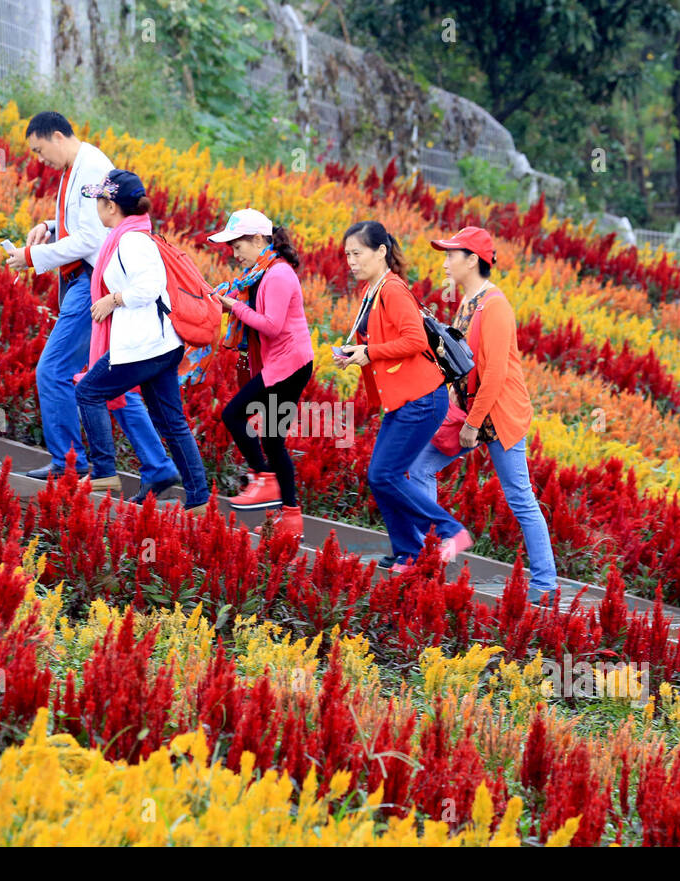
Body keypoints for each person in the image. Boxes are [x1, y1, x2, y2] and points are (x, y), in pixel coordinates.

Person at [10, 111, 180, 500]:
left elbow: (91, 240)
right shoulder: (76, 166)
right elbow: (82, 222)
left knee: (53, 370)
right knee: (109, 379)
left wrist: (33, 255)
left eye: (39, 150)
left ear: (56, 136)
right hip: (85, 282)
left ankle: (69, 463)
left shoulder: (92, 168)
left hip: (91, 284)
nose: (40, 160)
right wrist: (50, 227)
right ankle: (157, 466)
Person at [406, 226, 558, 606]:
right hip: (469, 411)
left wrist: (473, 424)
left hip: (498, 416)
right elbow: (460, 363)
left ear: (472, 260)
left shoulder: (495, 306)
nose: (444, 263)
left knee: (520, 498)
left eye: (451, 255)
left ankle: (547, 585)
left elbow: (495, 374)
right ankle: (433, 556)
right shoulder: (468, 304)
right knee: (420, 467)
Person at [72, 168, 210, 514]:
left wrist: (113, 299)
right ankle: (198, 498)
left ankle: (103, 471)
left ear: (112, 206)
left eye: (99, 202)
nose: (97, 208)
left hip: (143, 345)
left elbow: (148, 287)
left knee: (88, 392)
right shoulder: (131, 235)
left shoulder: (131, 241)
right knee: (171, 421)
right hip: (159, 344)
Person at [334, 220, 470, 570]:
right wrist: (356, 353)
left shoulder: (391, 289)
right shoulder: (374, 290)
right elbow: (380, 341)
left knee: (385, 475)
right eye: (347, 254)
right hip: (405, 399)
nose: (351, 261)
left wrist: (370, 352)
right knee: (380, 476)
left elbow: (415, 340)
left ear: (381, 251)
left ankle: (450, 530)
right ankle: (408, 552)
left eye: (357, 253)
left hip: (423, 399)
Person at [209, 209, 313, 540]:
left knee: (233, 414)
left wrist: (234, 307)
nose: (235, 254)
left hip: (290, 364)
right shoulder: (261, 273)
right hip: (284, 363)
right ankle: (291, 518)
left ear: (258, 240)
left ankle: (264, 478)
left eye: (238, 246)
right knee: (272, 439)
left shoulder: (279, 274)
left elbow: (272, 325)